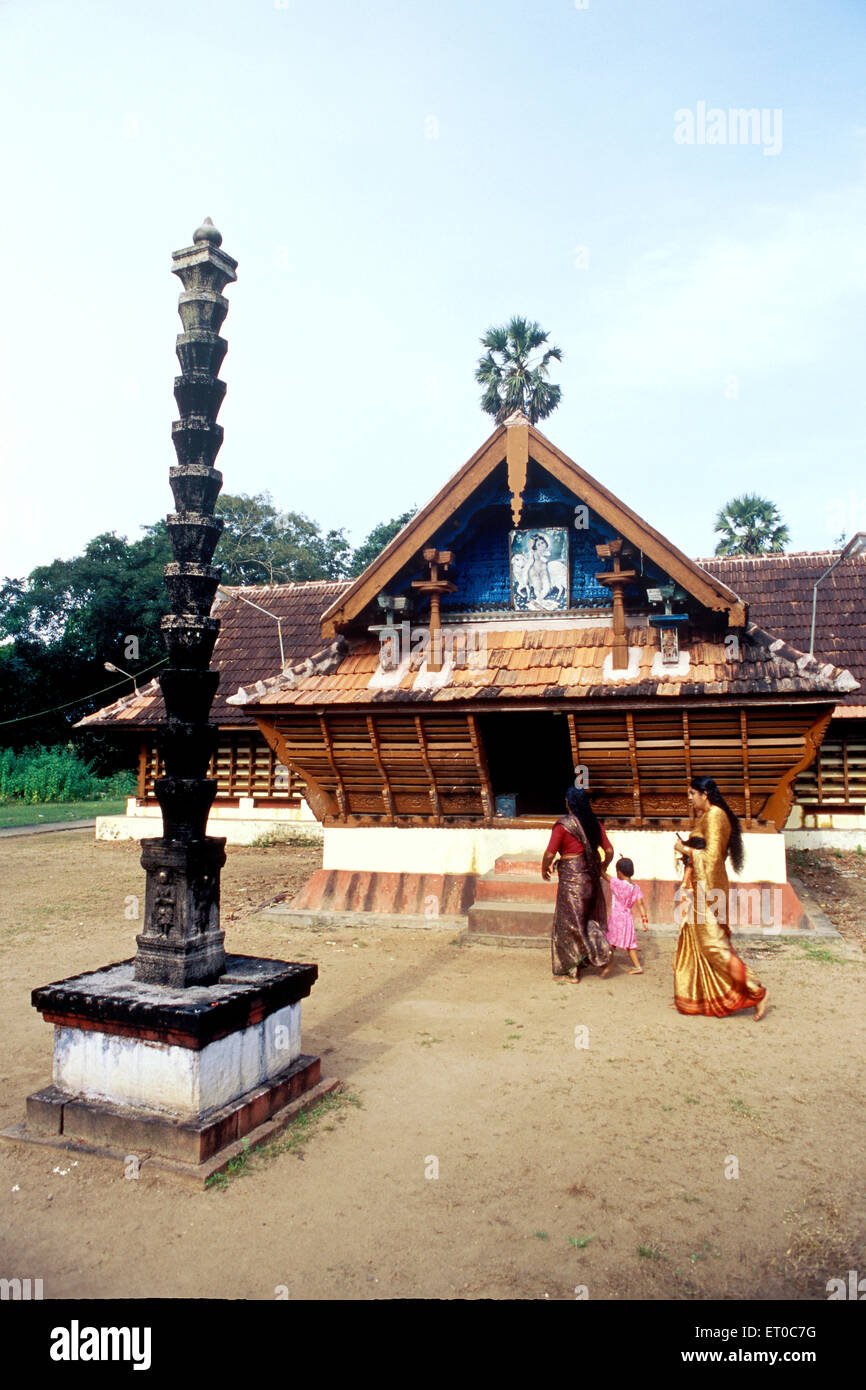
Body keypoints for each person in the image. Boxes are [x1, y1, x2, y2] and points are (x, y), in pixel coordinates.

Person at [673, 775, 768, 1020]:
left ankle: (756, 990)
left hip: (709, 889)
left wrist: (684, 849)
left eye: (693, 793)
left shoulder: (715, 815)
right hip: (701, 887)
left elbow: (713, 857)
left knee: (713, 945)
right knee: (693, 942)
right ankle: (698, 996)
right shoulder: (707, 816)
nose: (689, 798)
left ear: (705, 794)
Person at [542, 787, 614, 981]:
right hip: (590, 879)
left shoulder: (563, 825)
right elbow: (608, 850)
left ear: (569, 803)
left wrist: (544, 868)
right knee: (585, 920)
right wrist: (602, 868)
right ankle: (593, 954)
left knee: (570, 924)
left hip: (571, 882)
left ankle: (574, 971)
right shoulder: (594, 824)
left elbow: (550, 853)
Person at [601, 857, 648, 976]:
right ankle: (637, 966)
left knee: (611, 941)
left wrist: (601, 867)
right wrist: (644, 920)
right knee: (630, 944)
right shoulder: (635, 887)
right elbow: (641, 904)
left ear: (619, 872)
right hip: (628, 918)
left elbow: (605, 876)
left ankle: (608, 964)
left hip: (617, 917)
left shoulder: (618, 884)